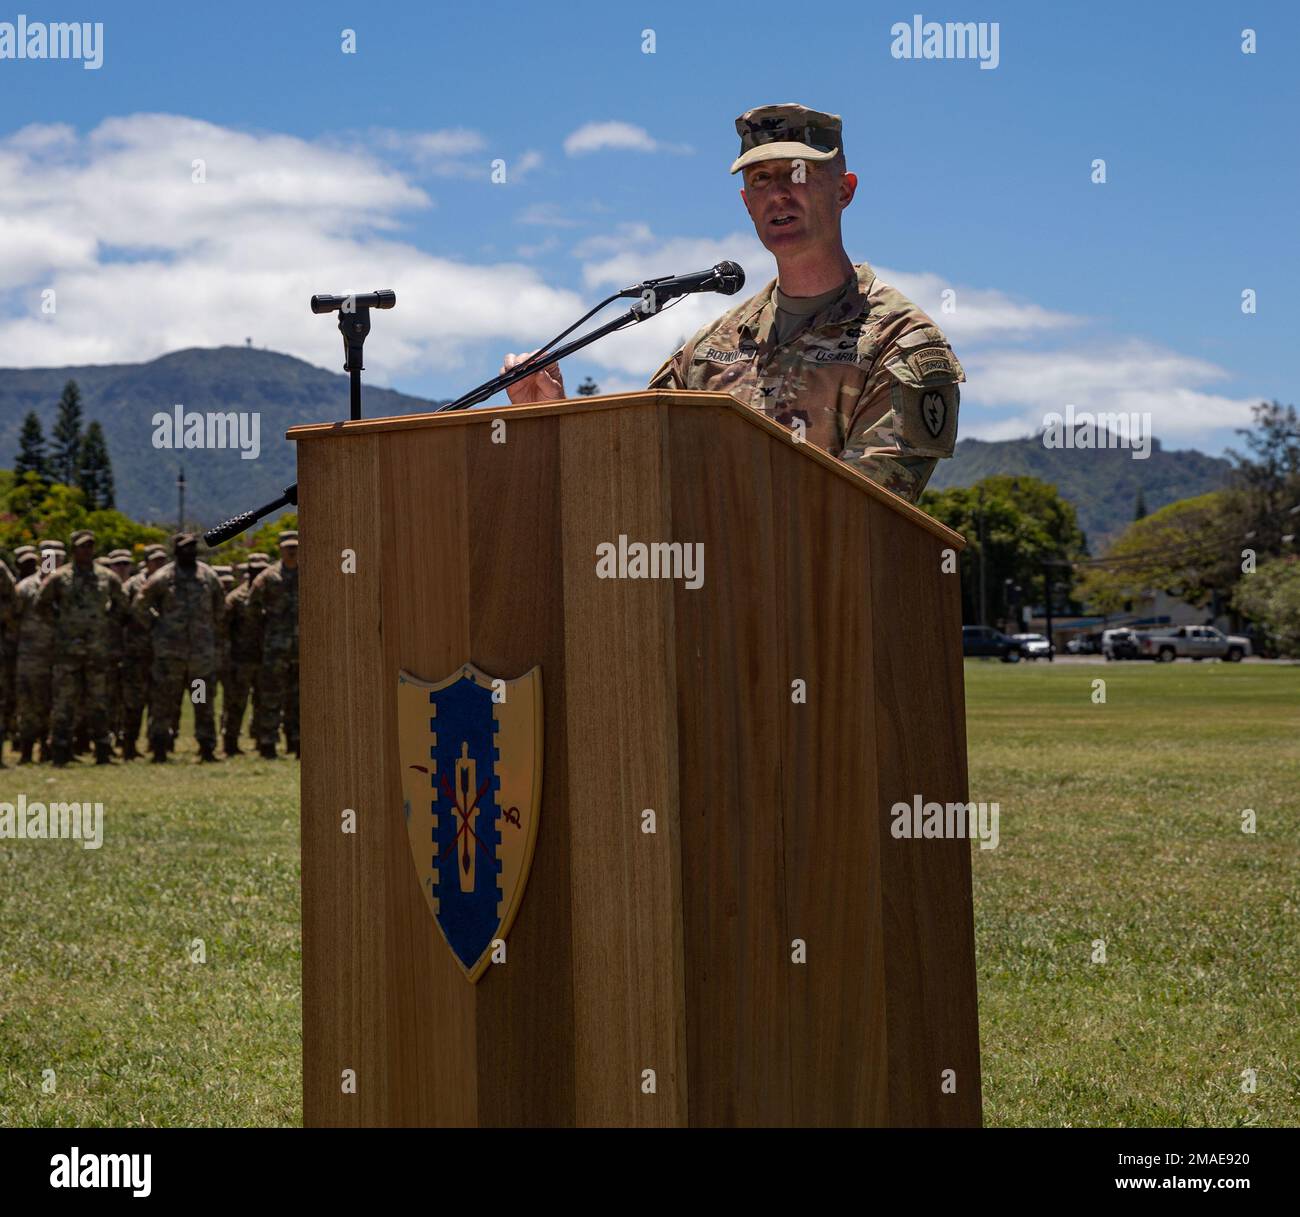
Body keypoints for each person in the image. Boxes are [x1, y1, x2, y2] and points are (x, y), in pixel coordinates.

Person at [500, 103, 963, 505]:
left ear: (844, 190)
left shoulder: (900, 342)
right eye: (761, 178)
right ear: (746, 202)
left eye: (799, 173)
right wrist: (552, 418)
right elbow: (634, 475)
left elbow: (869, 509)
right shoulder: (708, 349)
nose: (779, 192)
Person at [36, 530, 128, 766]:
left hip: (97, 651)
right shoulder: (60, 577)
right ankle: (60, 751)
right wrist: (59, 624)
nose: (86, 550)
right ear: (73, 549)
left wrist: (107, 622)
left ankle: (102, 751)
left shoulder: (106, 577)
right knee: (64, 703)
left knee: (99, 702)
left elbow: (122, 604)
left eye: (89, 546)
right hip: (67, 651)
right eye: (81, 547)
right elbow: (41, 604)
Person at [134, 533, 225, 763]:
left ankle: (206, 747)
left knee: (202, 702)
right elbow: (140, 606)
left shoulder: (207, 575)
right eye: (185, 548)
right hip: (170, 658)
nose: (190, 552)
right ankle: (159, 748)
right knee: (164, 703)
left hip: (199, 661)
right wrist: (157, 626)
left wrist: (208, 628)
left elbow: (220, 605)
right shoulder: (163, 577)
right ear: (176, 551)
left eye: (193, 548)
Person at [249, 531, 299, 759]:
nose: (292, 551)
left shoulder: (312, 571)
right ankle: (267, 742)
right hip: (275, 649)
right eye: (288, 547)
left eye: (296, 547)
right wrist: (264, 633)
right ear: (280, 549)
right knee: (270, 696)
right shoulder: (268, 577)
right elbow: (252, 608)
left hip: (303, 650)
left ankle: (298, 742)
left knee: (300, 698)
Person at [120, 544, 168, 759]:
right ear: (146, 562)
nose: (159, 564)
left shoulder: (170, 582)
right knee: (133, 702)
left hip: (164, 653)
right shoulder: (133, 585)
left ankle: (158, 746)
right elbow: (122, 613)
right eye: (154, 560)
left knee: (160, 701)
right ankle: (129, 745)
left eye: (162, 560)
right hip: (137, 653)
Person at [221, 553, 268, 755]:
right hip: (240, 659)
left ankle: (263, 740)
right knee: (236, 703)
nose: (257, 574)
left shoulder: (273, 595)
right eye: (254, 570)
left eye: (261, 570)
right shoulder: (235, 598)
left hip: (267, 658)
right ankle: (230, 743)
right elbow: (223, 628)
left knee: (264, 701)